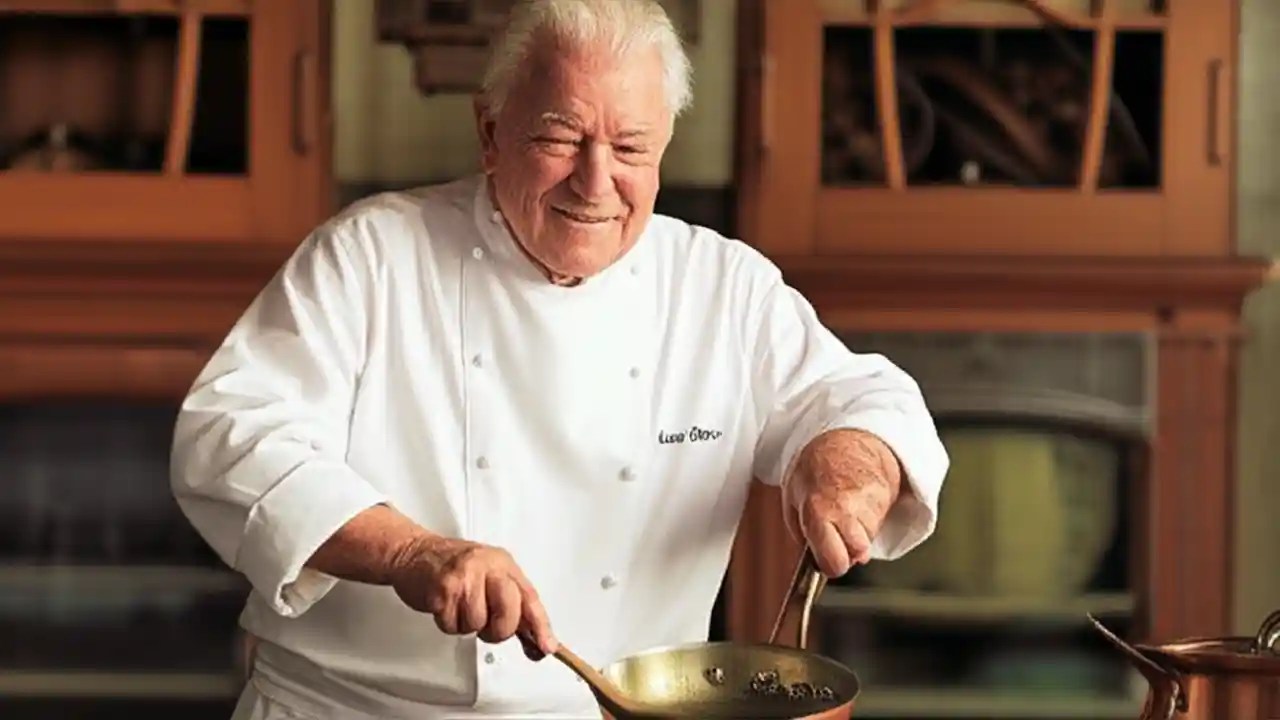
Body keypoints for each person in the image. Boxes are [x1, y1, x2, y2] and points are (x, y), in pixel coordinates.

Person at [170, 1, 949, 717]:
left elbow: (858, 399)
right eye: (559, 138)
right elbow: (231, 435)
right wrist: (412, 552)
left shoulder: (722, 287)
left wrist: (848, 468)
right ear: (489, 132)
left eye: (631, 148)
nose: (595, 180)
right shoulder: (371, 255)